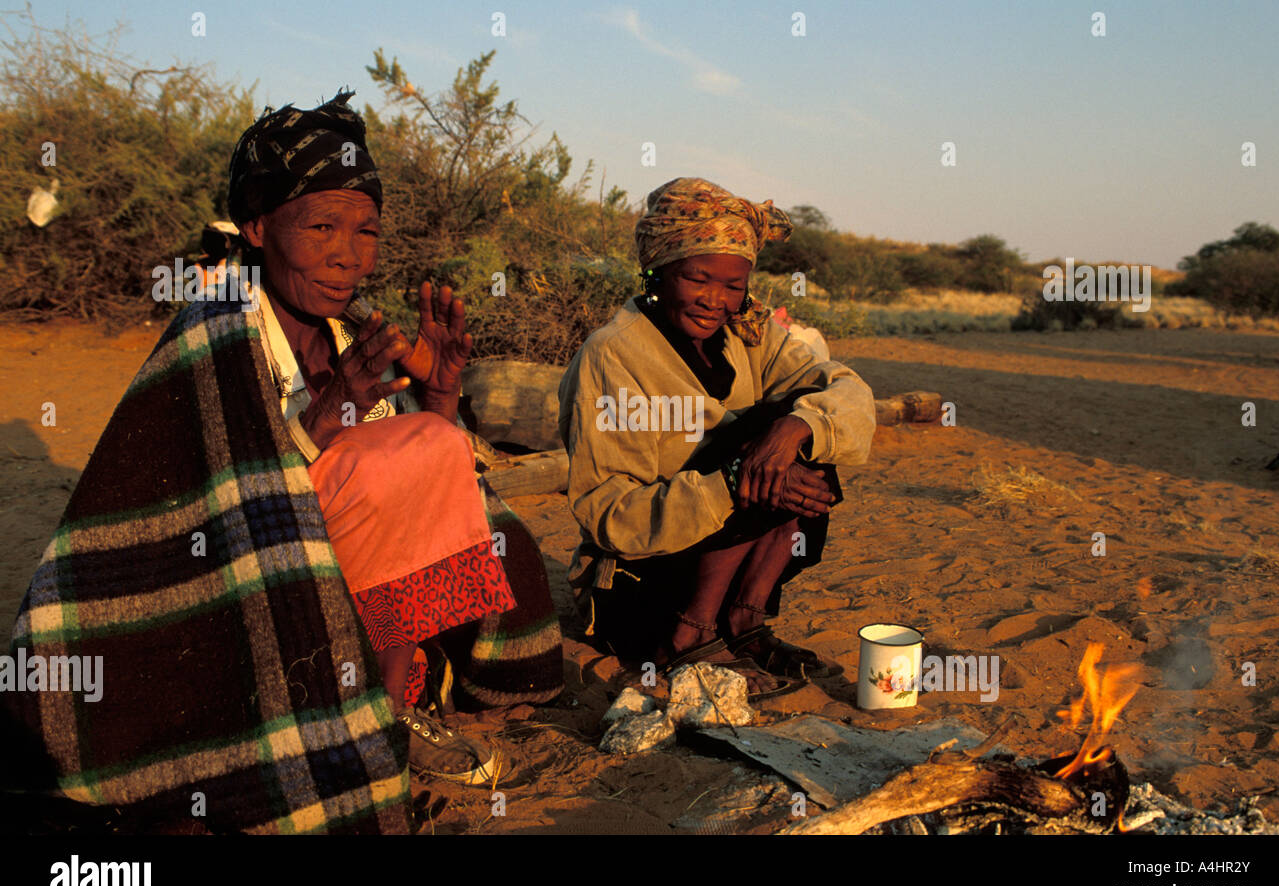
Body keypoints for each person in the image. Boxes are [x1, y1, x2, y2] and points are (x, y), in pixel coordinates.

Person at [2, 92, 560, 834]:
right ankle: (350, 720)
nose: (347, 253)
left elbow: (417, 485)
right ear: (260, 227)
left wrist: (442, 392)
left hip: (340, 568)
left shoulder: (350, 329)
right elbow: (207, 500)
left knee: (431, 445)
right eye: (321, 226)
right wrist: (318, 428)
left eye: (365, 231)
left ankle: (384, 713)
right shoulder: (219, 329)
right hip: (230, 571)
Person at [558, 177, 876, 699]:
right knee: (749, 443)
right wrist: (729, 483)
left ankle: (743, 622)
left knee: (800, 427)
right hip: (638, 590)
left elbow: (845, 391)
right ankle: (687, 636)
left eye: (733, 286)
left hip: (721, 575)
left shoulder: (748, 336)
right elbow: (608, 513)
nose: (716, 302)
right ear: (658, 270)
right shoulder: (613, 355)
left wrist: (799, 428)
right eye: (698, 280)